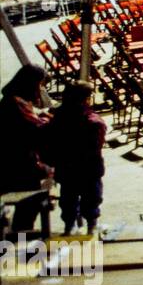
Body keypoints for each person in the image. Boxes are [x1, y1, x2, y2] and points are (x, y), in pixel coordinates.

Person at [43, 80, 106, 235]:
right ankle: (91, 225)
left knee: (68, 198)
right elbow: (97, 145)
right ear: (86, 99)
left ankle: (69, 226)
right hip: (89, 168)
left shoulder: (57, 117)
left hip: (66, 168)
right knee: (91, 198)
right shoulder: (92, 121)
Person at [1, 64, 52, 197]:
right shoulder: (15, 106)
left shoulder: (13, 99)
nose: (40, 89)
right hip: (17, 164)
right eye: (39, 85)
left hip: (20, 159)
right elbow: (32, 134)